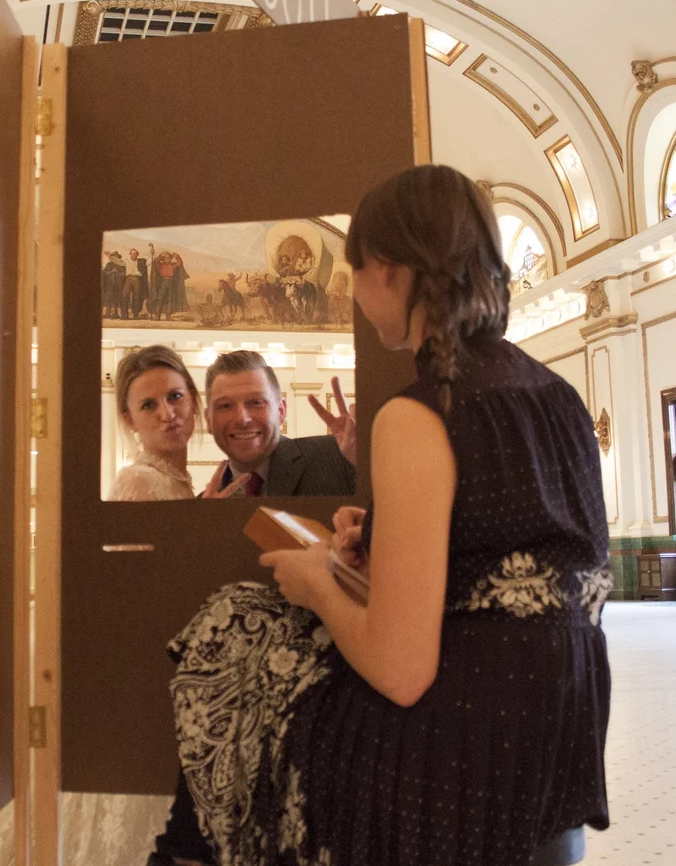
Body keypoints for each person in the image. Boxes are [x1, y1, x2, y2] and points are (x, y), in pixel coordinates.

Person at [149, 165, 612, 866]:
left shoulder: (422, 409)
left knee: (237, 627)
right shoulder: (559, 396)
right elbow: (524, 564)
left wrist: (318, 582)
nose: (357, 294)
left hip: (468, 744)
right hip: (562, 733)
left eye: (356, 271)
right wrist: (385, 541)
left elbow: (401, 670)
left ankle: (180, 857)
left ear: (390, 270)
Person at [198, 349, 355, 498]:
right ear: (209, 420)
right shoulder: (202, 509)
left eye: (256, 402)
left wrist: (363, 461)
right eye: (225, 406)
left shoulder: (340, 457)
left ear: (281, 411)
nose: (242, 419)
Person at [108, 346, 199, 501]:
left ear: (194, 401)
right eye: (148, 405)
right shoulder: (139, 481)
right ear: (130, 420)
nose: (167, 414)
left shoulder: (176, 480)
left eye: (175, 396)